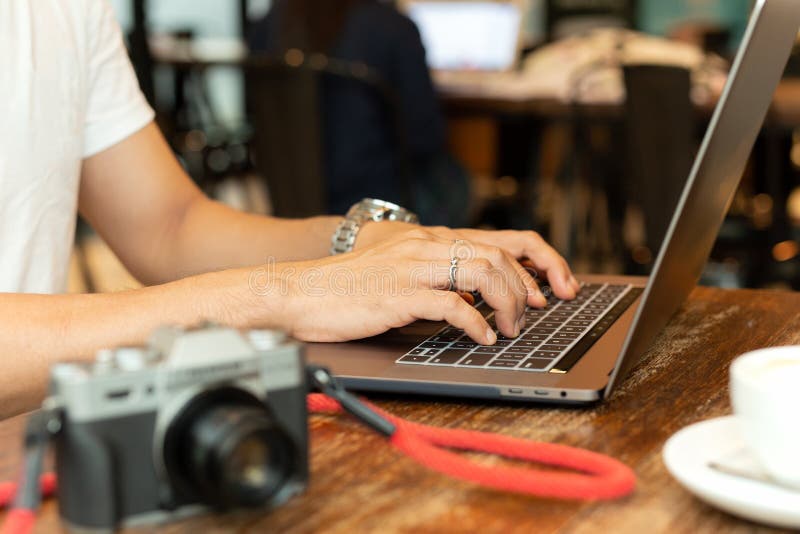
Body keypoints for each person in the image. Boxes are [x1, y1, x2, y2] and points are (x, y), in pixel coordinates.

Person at [0, 0, 578, 419]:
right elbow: (426, 139)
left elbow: (169, 226)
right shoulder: (389, 27)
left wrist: (359, 242)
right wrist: (281, 295)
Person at [248, 0, 469, 224]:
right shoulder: (393, 28)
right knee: (457, 179)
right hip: (380, 205)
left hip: (291, 204)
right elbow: (424, 138)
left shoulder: (266, 27)